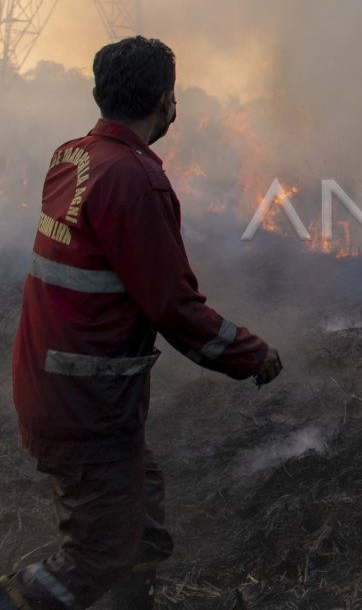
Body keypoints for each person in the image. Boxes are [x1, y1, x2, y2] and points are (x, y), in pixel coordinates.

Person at [1, 36, 283, 610]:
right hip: (85, 403)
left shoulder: (72, 156)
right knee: (95, 555)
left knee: (143, 518)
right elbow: (172, 308)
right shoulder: (134, 179)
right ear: (165, 100)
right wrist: (251, 354)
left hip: (59, 384)